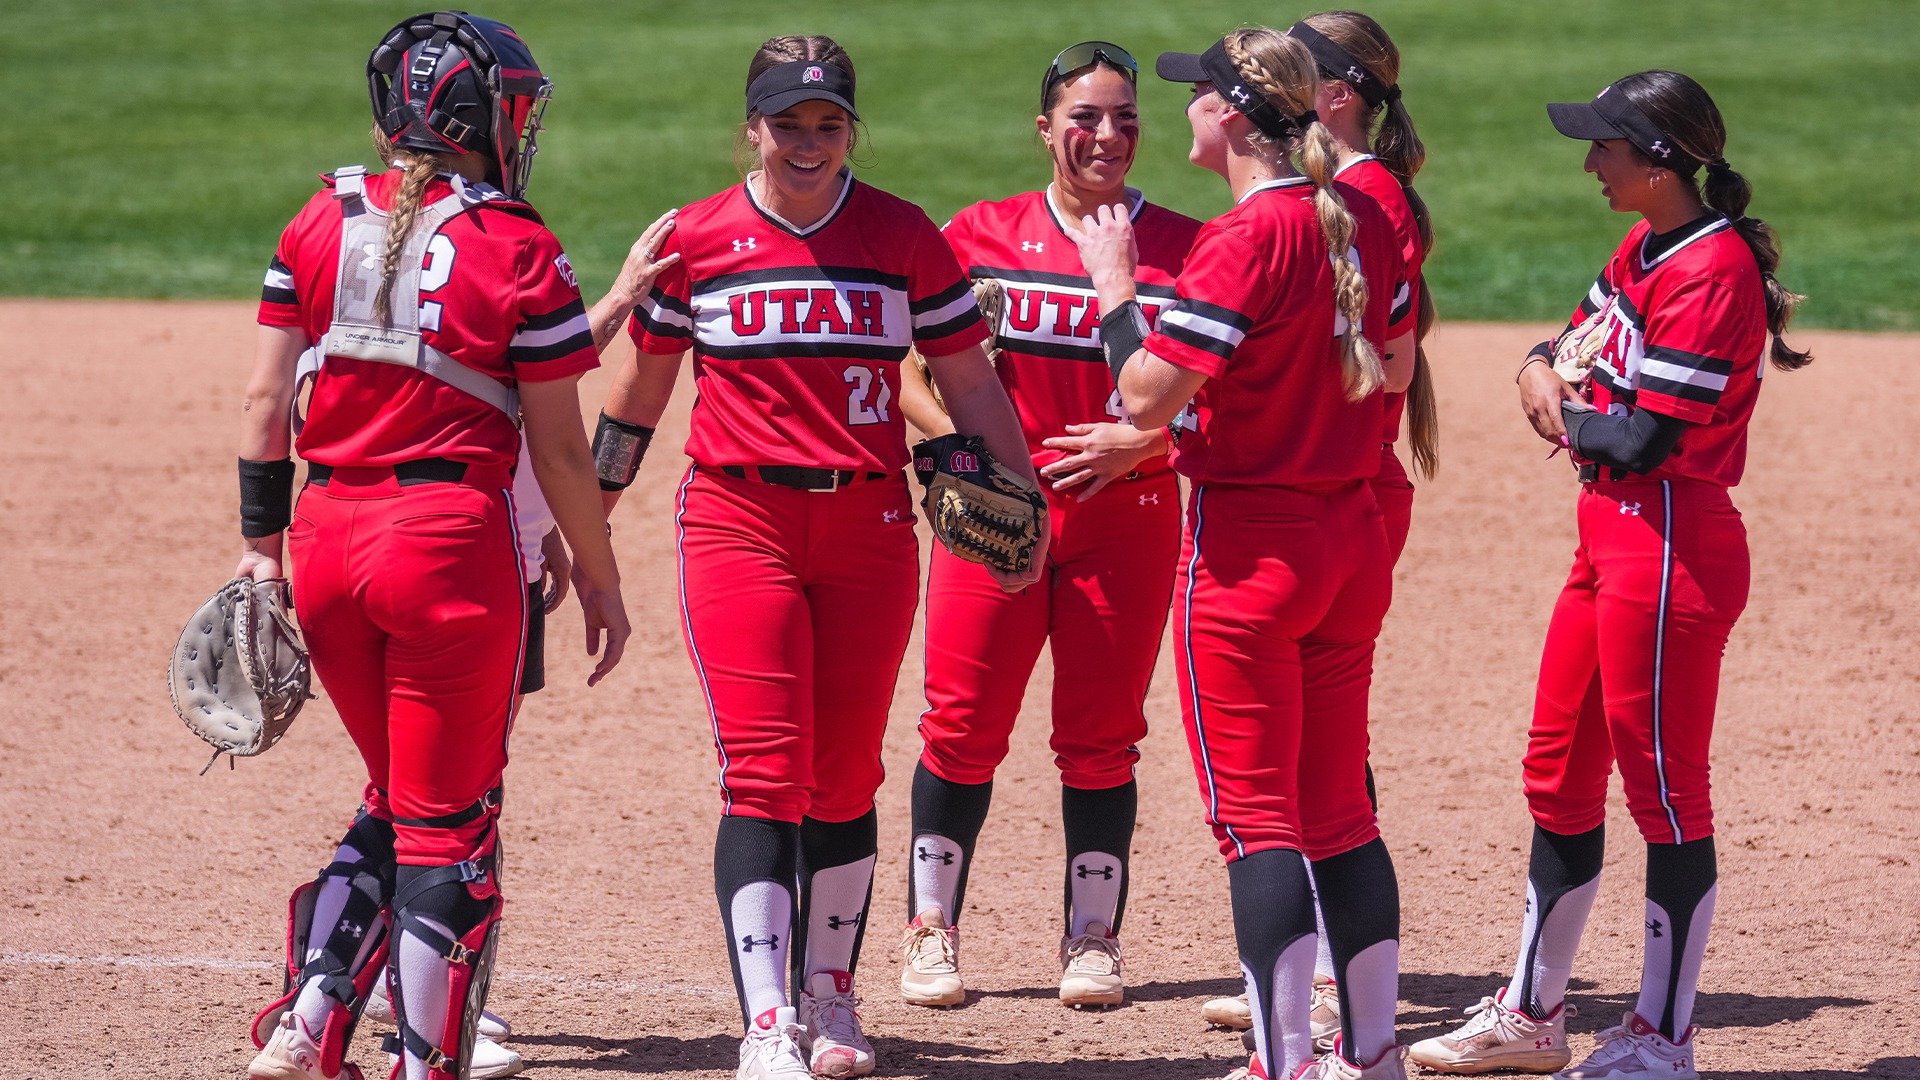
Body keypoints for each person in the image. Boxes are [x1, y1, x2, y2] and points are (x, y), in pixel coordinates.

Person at [593, 35, 1040, 1080]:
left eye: (828, 124)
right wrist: (586, 522)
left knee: (843, 774)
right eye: (787, 124)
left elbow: (969, 382)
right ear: (753, 127)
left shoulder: (901, 234)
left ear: (850, 129)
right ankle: (767, 1023)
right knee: (764, 771)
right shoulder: (697, 239)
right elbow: (637, 401)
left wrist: (1025, 499)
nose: (808, 142)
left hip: (868, 527)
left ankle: (829, 997)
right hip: (736, 523)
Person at [236, 12, 635, 1080]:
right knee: (449, 827)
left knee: (396, 798)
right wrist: (601, 577)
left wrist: (260, 550)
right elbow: (559, 450)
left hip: (323, 541)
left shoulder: (317, 219)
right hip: (447, 552)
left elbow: (265, 404)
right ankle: (426, 1063)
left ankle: (312, 1018)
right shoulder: (519, 244)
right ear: (475, 121)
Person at [1408, 71, 1809, 1080]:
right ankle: (1533, 1014)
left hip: (1671, 546)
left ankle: (1663, 1038)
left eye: (1605, 147)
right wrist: (1542, 370)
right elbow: (1560, 347)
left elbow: (1643, 438)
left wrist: (1555, 398)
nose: (1590, 163)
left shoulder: (1710, 270)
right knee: (1557, 772)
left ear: (1660, 160)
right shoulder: (1644, 245)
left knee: (1666, 794)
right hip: (1607, 536)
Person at [1071, 26, 1414, 1080]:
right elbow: (1396, 364)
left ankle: (1283, 1062)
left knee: (1260, 822)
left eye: (1193, 94)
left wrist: (1116, 285)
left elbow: (1144, 396)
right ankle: (1372, 1054)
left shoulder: (1245, 237)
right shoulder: (1365, 214)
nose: (1180, 110)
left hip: (1253, 552)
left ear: (1227, 113)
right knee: (1339, 813)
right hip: (1352, 538)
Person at [893, 40, 1201, 1012]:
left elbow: (1222, 401)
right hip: (1001, 519)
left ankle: (1093, 938)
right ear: (1044, 129)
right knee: (960, 724)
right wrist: (977, 463)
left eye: (1125, 118)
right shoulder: (978, 234)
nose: (1107, 135)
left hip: (1131, 516)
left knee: (1103, 736)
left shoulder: (1190, 248)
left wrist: (1141, 444)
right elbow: (908, 370)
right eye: (1085, 117)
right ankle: (931, 929)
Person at [1198, 10, 1435, 1050]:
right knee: (1328, 785)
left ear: (1333, 93)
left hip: (1304, 498)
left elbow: (1388, 364)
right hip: (1345, 498)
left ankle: (1309, 1013)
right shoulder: (1354, 199)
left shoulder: (1355, 198)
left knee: (1286, 793)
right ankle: (1350, 1022)